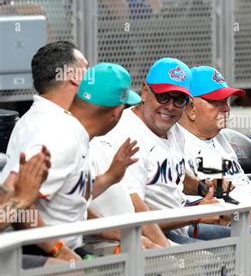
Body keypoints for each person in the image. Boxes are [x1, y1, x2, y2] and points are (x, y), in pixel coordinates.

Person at [2, 62, 141, 260]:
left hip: (66, 248)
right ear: (116, 112)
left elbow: (67, 194)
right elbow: (14, 200)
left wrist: (109, 177)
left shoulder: (74, 133)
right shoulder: (61, 138)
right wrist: (59, 251)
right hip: (38, 253)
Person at [90, 58, 234, 245]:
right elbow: (136, 213)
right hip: (152, 234)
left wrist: (202, 186)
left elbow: (175, 174)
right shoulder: (126, 136)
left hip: (182, 224)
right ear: (144, 91)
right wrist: (195, 213)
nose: (170, 106)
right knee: (214, 261)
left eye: (179, 99)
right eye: (163, 96)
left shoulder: (174, 129)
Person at [179, 66, 251, 230]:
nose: (226, 108)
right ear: (191, 108)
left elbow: (243, 189)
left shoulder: (220, 139)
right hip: (227, 241)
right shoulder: (177, 145)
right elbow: (204, 213)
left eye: (226, 100)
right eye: (215, 102)